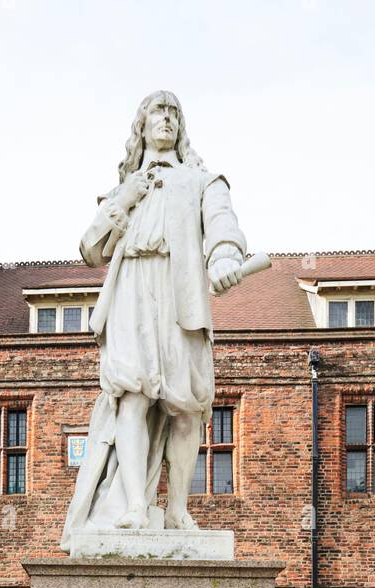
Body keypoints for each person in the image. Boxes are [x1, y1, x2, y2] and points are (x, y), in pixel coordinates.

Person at [60, 90, 247, 551]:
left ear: (181, 126)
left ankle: (179, 508)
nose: (165, 119)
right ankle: (134, 507)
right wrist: (123, 197)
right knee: (132, 396)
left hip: (178, 290)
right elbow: (90, 250)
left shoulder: (203, 181)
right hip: (131, 291)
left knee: (188, 404)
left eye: (173, 113)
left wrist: (224, 255)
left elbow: (224, 225)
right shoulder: (123, 188)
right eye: (156, 112)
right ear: (141, 126)